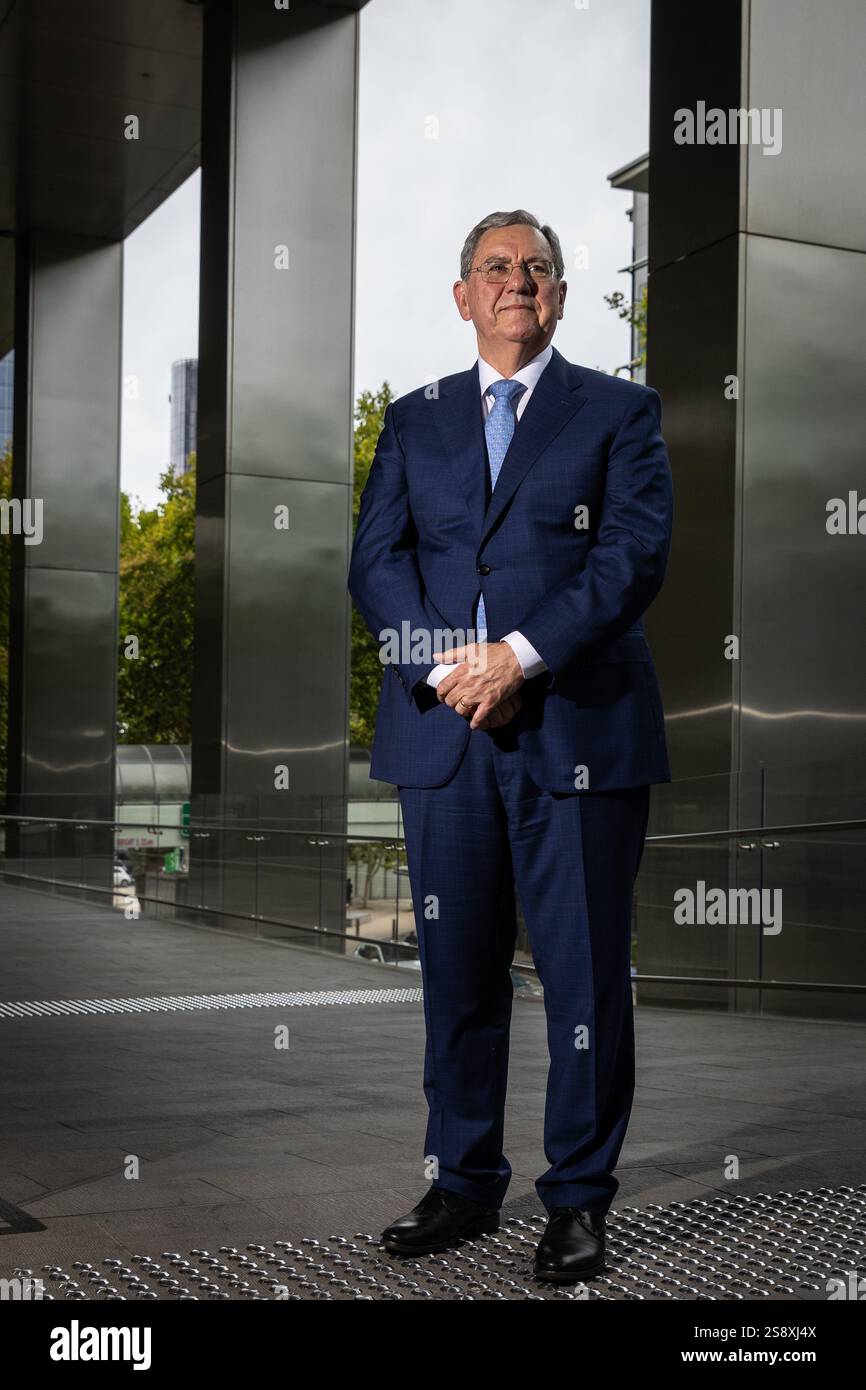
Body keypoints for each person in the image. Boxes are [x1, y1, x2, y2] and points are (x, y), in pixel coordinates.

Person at [347, 209, 673, 1282]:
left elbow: (628, 557)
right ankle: (462, 1182)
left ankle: (577, 1199)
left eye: (536, 267)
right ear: (462, 296)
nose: (516, 281)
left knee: (583, 980)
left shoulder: (620, 411)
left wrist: (518, 656)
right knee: (457, 975)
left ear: (560, 296)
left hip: (576, 731)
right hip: (446, 734)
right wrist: (453, 667)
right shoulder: (414, 419)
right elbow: (375, 564)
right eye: (495, 267)